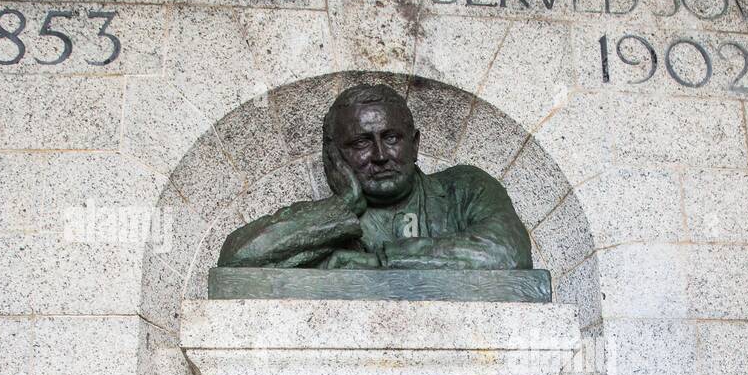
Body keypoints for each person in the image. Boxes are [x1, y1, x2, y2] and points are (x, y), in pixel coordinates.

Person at [218, 83, 532, 270]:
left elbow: (508, 252)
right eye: (361, 143)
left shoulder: (464, 189)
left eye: (392, 137)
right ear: (335, 156)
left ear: (415, 143)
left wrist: (383, 261)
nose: (381, 155)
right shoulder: (326, 221)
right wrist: (344, 208)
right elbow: (236, 259)